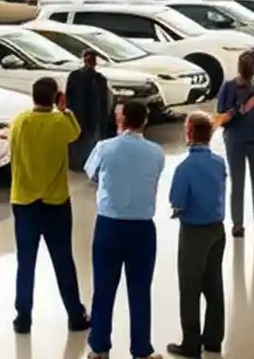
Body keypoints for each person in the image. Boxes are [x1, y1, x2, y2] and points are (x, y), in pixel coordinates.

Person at [7, 77, 89, 335]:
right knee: (63, 259)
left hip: (24, 201)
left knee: (25, 262)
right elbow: (76, 133)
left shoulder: (20, 121)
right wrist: (64, 109)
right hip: (55, 202)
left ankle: (23, 318)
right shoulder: (60, 123)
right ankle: (75, 315)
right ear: (57, 97)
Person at [84, 102, 166, 359]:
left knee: (103, 288)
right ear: (144, 121)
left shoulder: (104, 148)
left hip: (109, 224)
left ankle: (99, 347)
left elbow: (91, 174)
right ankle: (141, 349)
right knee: (140, 290)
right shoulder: (156, 152)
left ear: (121, 120)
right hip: (142, 227)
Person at [166, 113, 226, 358]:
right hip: (217, 230)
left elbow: (176, 200)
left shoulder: (185, 167)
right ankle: (213, 339)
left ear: (189, 133)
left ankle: (191, 342)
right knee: (213, 285)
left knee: (190, 287)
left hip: (194, 232)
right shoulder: (219, 162)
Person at [215, 51, 254, 239]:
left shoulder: (228, 87)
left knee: (237, 184)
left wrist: (235, 111)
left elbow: (220, 117)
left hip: (234, 140)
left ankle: (238, 225)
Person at [66, 49, 114, 172]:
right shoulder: (77, 77)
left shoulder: (98, 79)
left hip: (92, 118)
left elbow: (103, 101)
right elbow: (70, 98)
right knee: (83, 143)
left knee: (91, 142)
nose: (90, 63)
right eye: (88, 60)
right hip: (82, 117)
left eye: (91, 60)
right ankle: (81, 165)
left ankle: (88, 165)